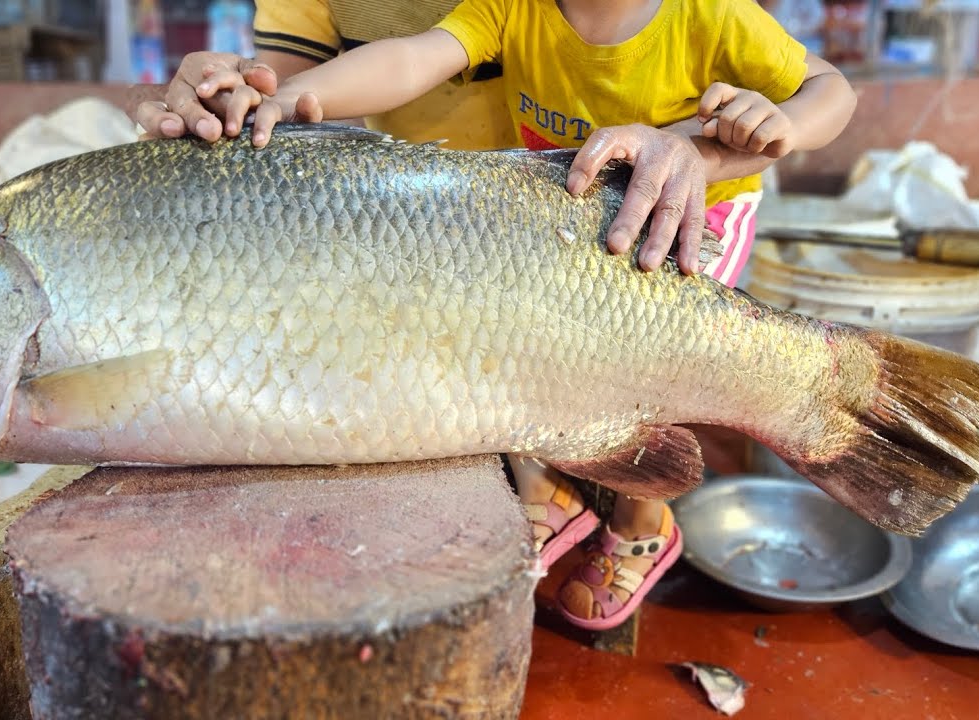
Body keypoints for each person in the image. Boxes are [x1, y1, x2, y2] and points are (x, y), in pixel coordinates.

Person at [128, 0, 855, 631]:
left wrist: (780, 124)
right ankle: (550, 482)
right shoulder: (513, 9)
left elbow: (829, 91)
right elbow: (412, 58)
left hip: (691, 217)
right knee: (518, 350)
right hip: (567, 211)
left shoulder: (714, 15)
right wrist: (288, 96)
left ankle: (640, 522)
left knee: (652, 363)